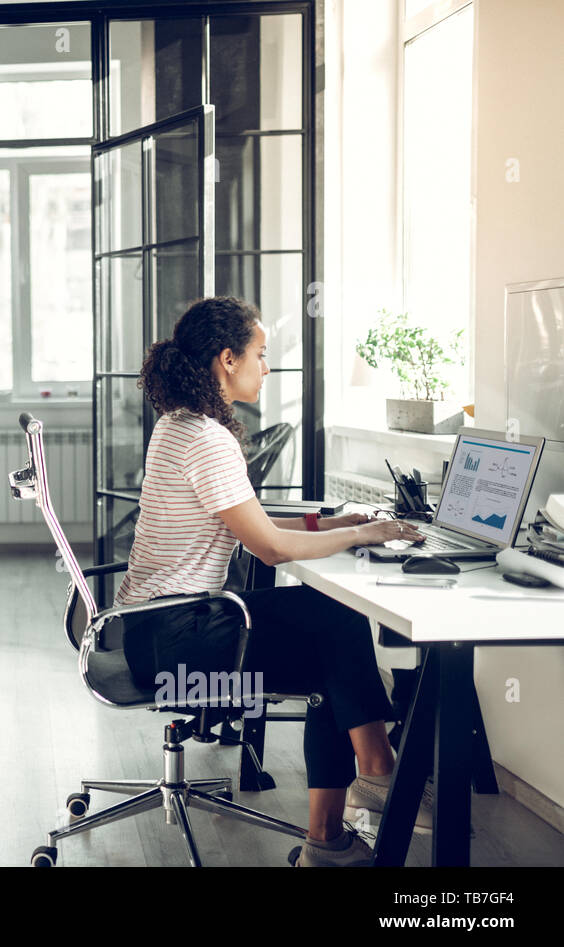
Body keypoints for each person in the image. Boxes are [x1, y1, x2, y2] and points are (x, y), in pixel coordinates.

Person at [116, 296, 430, 866]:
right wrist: (364, 536)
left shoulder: (179, 425)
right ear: (228, 359)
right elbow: (269, 546)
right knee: (332, 625)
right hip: (175, 642)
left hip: (147, 630)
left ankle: (340, 824)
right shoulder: (207, 438)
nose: (268, 367)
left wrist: (336, 523)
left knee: (327, 641)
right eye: (262, 355)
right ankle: (371, 780)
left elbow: (247, 519)